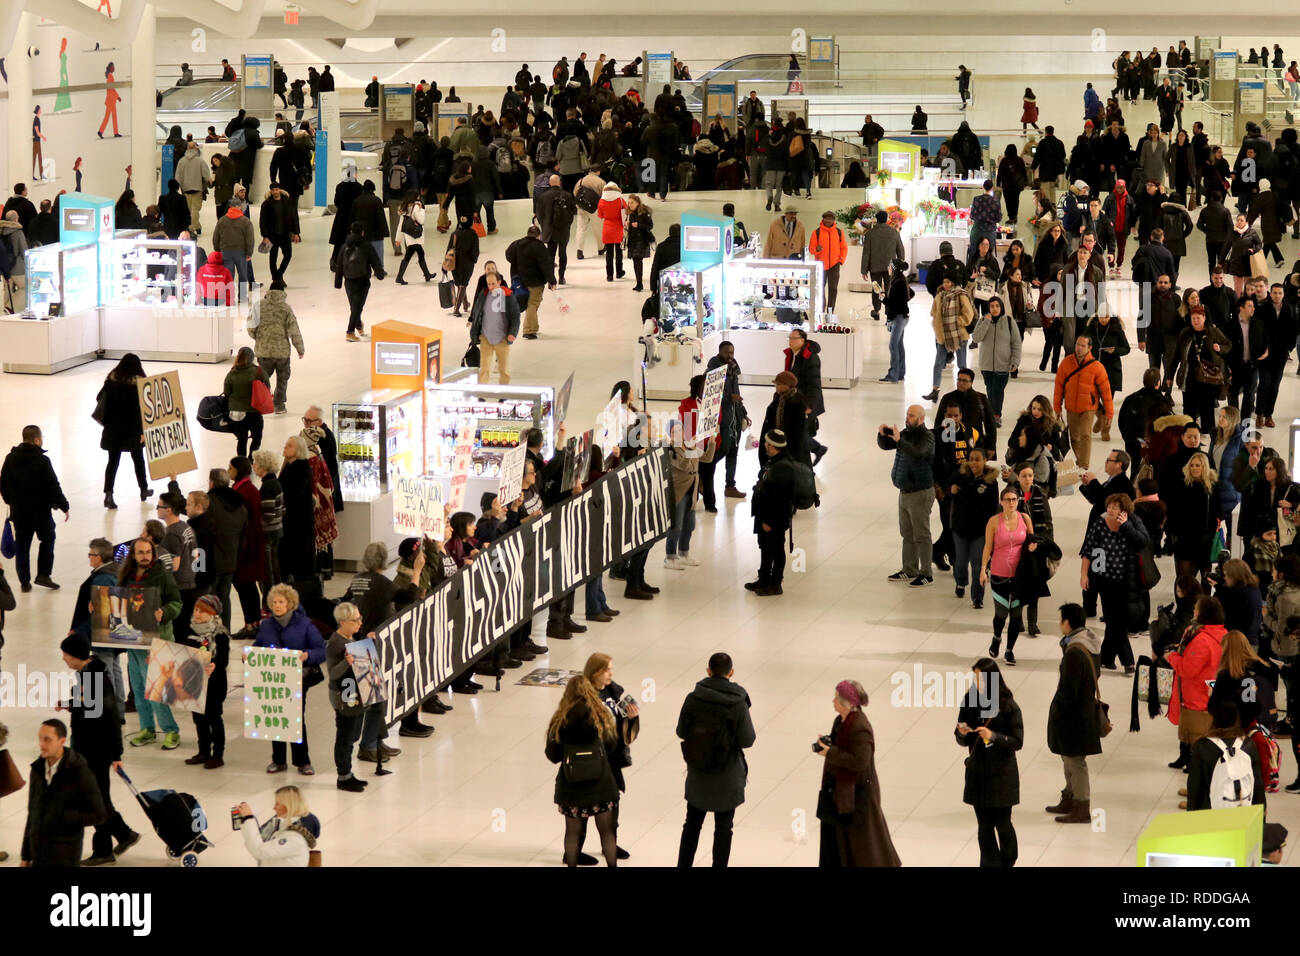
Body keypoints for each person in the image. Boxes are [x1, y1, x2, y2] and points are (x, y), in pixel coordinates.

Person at [58, 633, 139, 866]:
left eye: (66, 654)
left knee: (95, 800)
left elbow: (110, 719)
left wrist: (117, 754)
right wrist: (70, 704)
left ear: (76, 656)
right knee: (97, 798)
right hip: (88, 748)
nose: (64, 658)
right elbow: (89, 707)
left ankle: (105, 849)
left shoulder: (94, 679)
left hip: (96, 751)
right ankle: (123, 835)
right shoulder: (88, 675)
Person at [674, 651, 755, 867]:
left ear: (708, 671)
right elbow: (748, 740)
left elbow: (681, 731)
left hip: (698, 772)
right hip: (727, 776)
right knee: (723, 828)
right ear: (732, 672)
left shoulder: (693, 698)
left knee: (692, 824)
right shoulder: (738, 703)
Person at [813, 679, 901, 867]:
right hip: (840, 793)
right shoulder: (841, 721)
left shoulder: (860, 727)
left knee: (865, 847)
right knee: (842, 843)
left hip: (858, 795)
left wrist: (831, 752)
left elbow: (860, 762)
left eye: (836, 698)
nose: (833, 701)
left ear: (848, 703)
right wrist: (828, 744)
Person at [545, 674, 620, 866]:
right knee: (607, 832)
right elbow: (612, 746)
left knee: (572, 832)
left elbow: (552, 755)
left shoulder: (560, 720)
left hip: (571, 786)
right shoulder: (601, 716)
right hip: (601, 784)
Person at [955, 658, 1022, 866]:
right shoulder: (969, 700)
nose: (977, 683)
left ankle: (1008, 861)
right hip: (978, 771)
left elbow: (1017, 742)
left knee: (1002, 823)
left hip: (1002, 773)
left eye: (981, 679)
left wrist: (993, 736)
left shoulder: (1007, 705)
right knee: (984, 826)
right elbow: (960, 737)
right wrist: (962, 733)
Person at [117, 537, 183, 749]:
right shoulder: (126, 576)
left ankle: (171, 730)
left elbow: (176, 602)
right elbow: (117, 602)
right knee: (138, 688)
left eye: (148, 552)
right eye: (140, 553)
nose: (145, 556)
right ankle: (147, 729)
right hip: (134, 640)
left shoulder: (162, 575)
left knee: (156, 689)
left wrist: (164, 612)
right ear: (133, 555)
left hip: (157, 640)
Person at [254, 583, 325, 774]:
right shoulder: (267, 625)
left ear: (290, 603)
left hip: (297, 679)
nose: (277, 606)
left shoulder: (304, 624)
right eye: (274, 602)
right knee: (275, 717)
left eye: (281, 602)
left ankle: (303, 761)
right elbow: (256, 647)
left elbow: (321, 650)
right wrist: (248, 655)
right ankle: (278, 760)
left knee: (295, 718)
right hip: (273, 680)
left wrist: (307, 655)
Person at [20, 718, 106, 867]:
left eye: (47, 740)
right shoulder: (37, 770)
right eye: (40, 738)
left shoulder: (80, 772)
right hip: (38, 852)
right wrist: (26, 855)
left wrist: (66, 817)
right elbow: (32, 813)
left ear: (62, 741)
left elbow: (99, 815)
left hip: (64, 855)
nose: (41, 744)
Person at [1046, 603, 1103, 823]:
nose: (1059, 624)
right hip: (1083, 709)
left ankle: (1081, 806)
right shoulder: (1089, 643)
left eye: (1061, 620)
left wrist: (1058, 711)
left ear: (1068, 622)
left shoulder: (1074, 652)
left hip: (1075, 714)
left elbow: (1068, 689)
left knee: (1075, 760)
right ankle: (1069, 798)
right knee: (1068, 757)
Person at [1079, 493, 1149, 673]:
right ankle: (1128, 661)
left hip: (1127, 580)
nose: (1110, 510)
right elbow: (1088, 550)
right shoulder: (1100, 524)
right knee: (1113, 620)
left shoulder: (1133, 522)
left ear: (1124, 510)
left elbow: (1143, 540)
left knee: (1117, 622)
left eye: (1115, 507)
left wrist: (1125, 526)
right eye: (1109, 506)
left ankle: (1106, 658)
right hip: (1104, 580)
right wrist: (1084, 575)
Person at [326, 601, 388, 792]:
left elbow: (356, 650)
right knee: (345, 737)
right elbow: (334, 673)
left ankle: (348, 773)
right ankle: (343, 776)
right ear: (343, 622)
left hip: (356, 694)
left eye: (360, 618)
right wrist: (346, 662)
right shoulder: (335, 644)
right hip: (346, 696)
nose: (360, 622)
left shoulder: (349, 639)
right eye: (355, 620)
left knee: (352, 735)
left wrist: (366, 642)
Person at [0, 425, 69, 592]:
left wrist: (11, 501)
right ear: (37, 440)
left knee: (22, 547)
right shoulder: (42, 460)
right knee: (47, 539)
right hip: (41, 513)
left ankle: (24, 582)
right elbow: (53, 486)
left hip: (20, 513)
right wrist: (64, 506)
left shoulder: (10, 459)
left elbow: (3, 484)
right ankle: (43, 575)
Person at [1164, 595, 1229, 771]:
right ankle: (1185, 756)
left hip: (1195, 689)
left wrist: (1171, 657)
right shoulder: (1221, 634)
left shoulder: (1202, 639)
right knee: (1190, 725)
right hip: (1208, 687)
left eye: (1197, 608)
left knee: (1195, 728)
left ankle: (1194, 762)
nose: (1194, 611)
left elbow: (1187, 668)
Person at [878, 406, 935, 586]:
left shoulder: (928, 437)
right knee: (907, 533)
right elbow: (886, 445)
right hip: (904, 492)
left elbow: (919, 452)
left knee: (921, 534)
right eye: (907, 415)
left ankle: (926, 573)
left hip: (920, 492)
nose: (907, 418)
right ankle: (909, 569)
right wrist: (881, 435)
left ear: (921, 419)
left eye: (911, 416)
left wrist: (900, 440)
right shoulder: (905, 434)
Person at [981, 486, 1034, 665]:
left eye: (1014, 499)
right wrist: (982, 569)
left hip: (1020, 576)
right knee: (1001, 613)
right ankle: (997, 637)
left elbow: (1032, 541)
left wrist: (1034, 547)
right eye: (1008, 499)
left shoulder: (1025, 519)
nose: (1011, 502)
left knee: (1016, 615)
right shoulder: (993, 522)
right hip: (998, 573)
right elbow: (988, 547)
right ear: (1001, 502)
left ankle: (1009, 650)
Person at [176, 593, 229, 769]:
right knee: (198, 718)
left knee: (214, 717)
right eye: (196, 610)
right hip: (194, 680)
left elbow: (224, 660)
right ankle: (203, 751)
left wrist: (215, 665)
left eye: (203, 611)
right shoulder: (189, 630)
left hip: (214, 683)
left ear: (213, 614)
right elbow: (179, 653)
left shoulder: (220, 634)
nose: (198, 614)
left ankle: (218, 754)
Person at [94, 353, 153, 510]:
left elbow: (98, 397)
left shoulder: (111, 380)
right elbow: (140, 411)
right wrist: (142, 431)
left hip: (113, 429)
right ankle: (143, 489)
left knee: (113, 462)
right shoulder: (139, 385)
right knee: (138, 460)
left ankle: (108, 494)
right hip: (132, 430)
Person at [748, 430, 798, 596]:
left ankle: (775, 583)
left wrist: (768, 520)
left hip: (774, 517)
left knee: (775, 548)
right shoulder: (775, 461)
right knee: (765, 546)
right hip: (766, 514)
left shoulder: (783, 467)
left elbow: (778, 498)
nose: (764, 445)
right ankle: (763, 579)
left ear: (772, 445)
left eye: (766, 443)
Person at [1165, 304, 1230, 433]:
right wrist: (1169, 376)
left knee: (1207, 408)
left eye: (1198, 318)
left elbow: (1228, 345)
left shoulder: (1213, 332)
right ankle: (1189, 434)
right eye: (1193, 318)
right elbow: (1176, 355)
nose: (1195, 321)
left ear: (1204, 318)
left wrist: (1220, 349)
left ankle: (1209, 434)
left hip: (1208, 378)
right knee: (1189, 409)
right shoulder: (1185, 333)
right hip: (1189, 377)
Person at [1052, 334, 1113, 470]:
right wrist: (1057, 408)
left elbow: (1106, 392)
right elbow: (1058, 387)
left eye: (1082, 346)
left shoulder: (1097, 367)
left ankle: (1084, 465)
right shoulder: (1066, 363)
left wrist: (1109, 413)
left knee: (1085, 434)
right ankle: (1080, 460)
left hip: (1088, 407)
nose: (1079, 348)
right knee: (1074, 437)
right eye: (1077, 345)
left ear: (1089, 348)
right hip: (1071, 407)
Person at [950, 447, 1001, 609]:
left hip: (980, 531)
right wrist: (951, 490)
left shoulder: (991, 482)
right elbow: (948, 490)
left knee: (979, 564)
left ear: (985, 460)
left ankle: (978, 597)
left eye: (977, 459)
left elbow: (994, 508)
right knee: (961, 561)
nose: (973, 462)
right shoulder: (960, 476)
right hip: (960, 528)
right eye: (971, 459)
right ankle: (960, 582)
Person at [234, 786, 320, 866]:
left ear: (288, 806)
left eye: (277, 804)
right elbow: (259, 847)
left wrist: (248, 818)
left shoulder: (294, 838)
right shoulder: (282, 828)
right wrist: (246, 820)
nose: (274, 808)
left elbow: (260, 852)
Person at [972, 296, 1022, 421]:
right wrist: (986, 322)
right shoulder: (983, 320)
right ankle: (991, 413)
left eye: (997, 306)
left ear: (1001, 307)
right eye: (992, 306)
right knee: (990, 390)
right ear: (988, 308)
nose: (995, 309)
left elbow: (1016, 343)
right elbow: (976, 338)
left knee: (997, 391)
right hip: (986, 365)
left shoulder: (1009, 321)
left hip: (1003, 364)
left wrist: (1015, 362)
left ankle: (996, 415)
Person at [334, 222, 386, 342]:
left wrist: (338, 282)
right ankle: (350, 331)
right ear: (363, 232)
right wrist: (380, 274)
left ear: (351, 232)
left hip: (348, 281)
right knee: (357, 307)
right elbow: (375, 261)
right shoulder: (366, 246)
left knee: (354, 306)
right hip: (362, 280)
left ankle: (358, 325)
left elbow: (339, 265)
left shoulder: (344, 246)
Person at [926, 276, 974, 402]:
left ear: (953, 282)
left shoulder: (960, 295)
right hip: (943, 335)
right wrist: (938, 322)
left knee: (962, 364)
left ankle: (966, 390)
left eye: (948, 282)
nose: (946, 284)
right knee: (938, 364)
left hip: (959, 334)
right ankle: (935, 390)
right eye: (944, 282)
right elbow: (933, 312)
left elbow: (969, 313)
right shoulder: (940, 296)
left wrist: (957, 322)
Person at [468, 269, 519, 385]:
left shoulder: (508, 297)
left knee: (504, 370)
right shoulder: (483, 295)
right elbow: (477, 313)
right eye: (488, 284)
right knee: (484, 369)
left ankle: (503, 393)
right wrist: (474, 333)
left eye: (493, 284)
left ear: (499, 282)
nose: (490, 287)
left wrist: (512, 333)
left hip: (502, 339)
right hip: (486, 338)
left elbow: (515, 317)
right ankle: (482, 393)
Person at [785, 328, 827, 466]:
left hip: (805, 403)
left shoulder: (810, 358)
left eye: (793, 338)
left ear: (802, 340)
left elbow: (814, 384)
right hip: (796, 401)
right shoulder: (793, 355)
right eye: (790, 338)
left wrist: (809, 406)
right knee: (798, 433)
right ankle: (816, 450)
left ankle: (808, 462)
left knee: (798, 434)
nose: (790, 341)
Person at [506, 224, 555, 339]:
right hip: (535, 282)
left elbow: (508, 256)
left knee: (528, 304)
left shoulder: (517, 244)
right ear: (539, 235)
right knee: (532, 304)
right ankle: (529, 330)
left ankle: (531, 327)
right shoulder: (540, 247)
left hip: (519, 280)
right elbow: (546, 266)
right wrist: (552, 281)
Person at [860, 209, 905, 320]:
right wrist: (901, 264)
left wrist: (864, 270)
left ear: (876, 220)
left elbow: (866, 253)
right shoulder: (894, 232)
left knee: (877, 288)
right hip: (890, 266)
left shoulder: (870, 234)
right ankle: (889, 309)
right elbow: (900, 250)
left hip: (874, 267)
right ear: (886, 219)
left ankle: (876, 310)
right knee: (889, 288)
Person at [881, 258, 913, 383]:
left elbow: (894, 303)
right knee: (899, 345)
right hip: (902, 316)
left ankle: (893, 375)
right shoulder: (901, 280)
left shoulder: (897, 282)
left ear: (893, 268)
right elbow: (909, 294)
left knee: (893, 345)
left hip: (899, 317)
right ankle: (900, 373)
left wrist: (883, 298)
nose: (888, 268)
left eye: (889, 266)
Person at [809, 210, 847, 313]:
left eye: (830, 219)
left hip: (835, 265)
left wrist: (840, 260)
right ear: (823, 219)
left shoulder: (839, 232)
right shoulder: (816, 232)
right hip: (820, 265)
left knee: (833, 288)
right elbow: (811, 249)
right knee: (820, 288)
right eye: (826, 218)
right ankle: (821, 308)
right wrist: (817, 249)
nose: (828, 220)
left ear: (834, 220)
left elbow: (844, 248)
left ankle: (830, 311)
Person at [596, 181, 627, 281]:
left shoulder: (601, 201)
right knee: (619, 252)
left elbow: (600, 216)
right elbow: (626, 212)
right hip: (618, 227)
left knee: (609, 254)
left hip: (607, 228)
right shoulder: (621, 201)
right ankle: (619, 272)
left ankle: (609, 275)